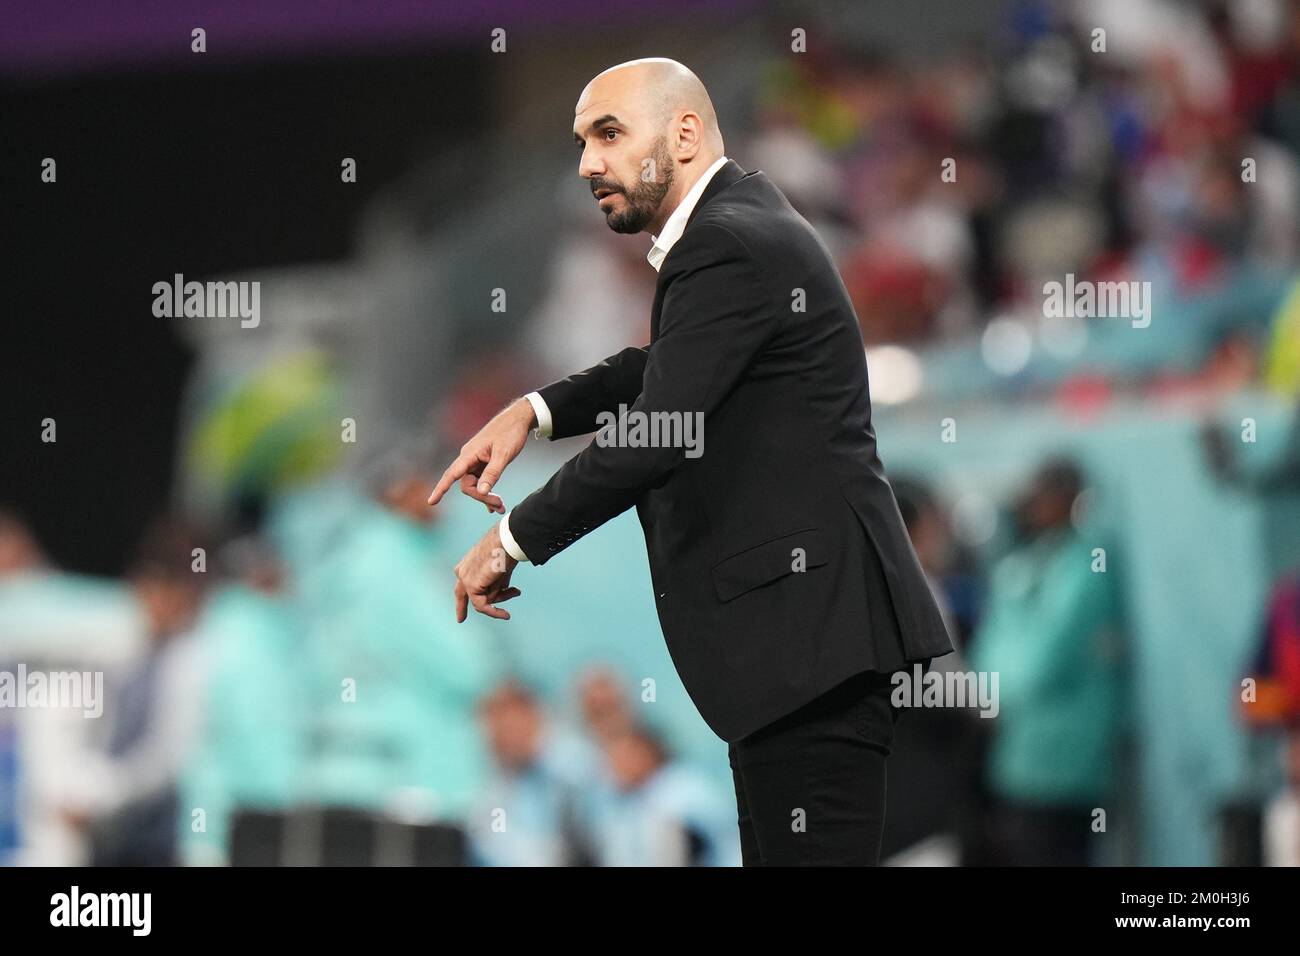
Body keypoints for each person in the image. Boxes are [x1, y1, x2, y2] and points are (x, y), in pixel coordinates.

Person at [430, 58, 953, 865]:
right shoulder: (739, 227)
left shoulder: (727, 243)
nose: (587, 163)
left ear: (682, 133)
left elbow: (662, 423)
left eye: (609, 133)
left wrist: (510, 540)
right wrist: (535, 411)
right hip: (805, 649)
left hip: (812, 643)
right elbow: (665, 372)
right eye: (580, 142)